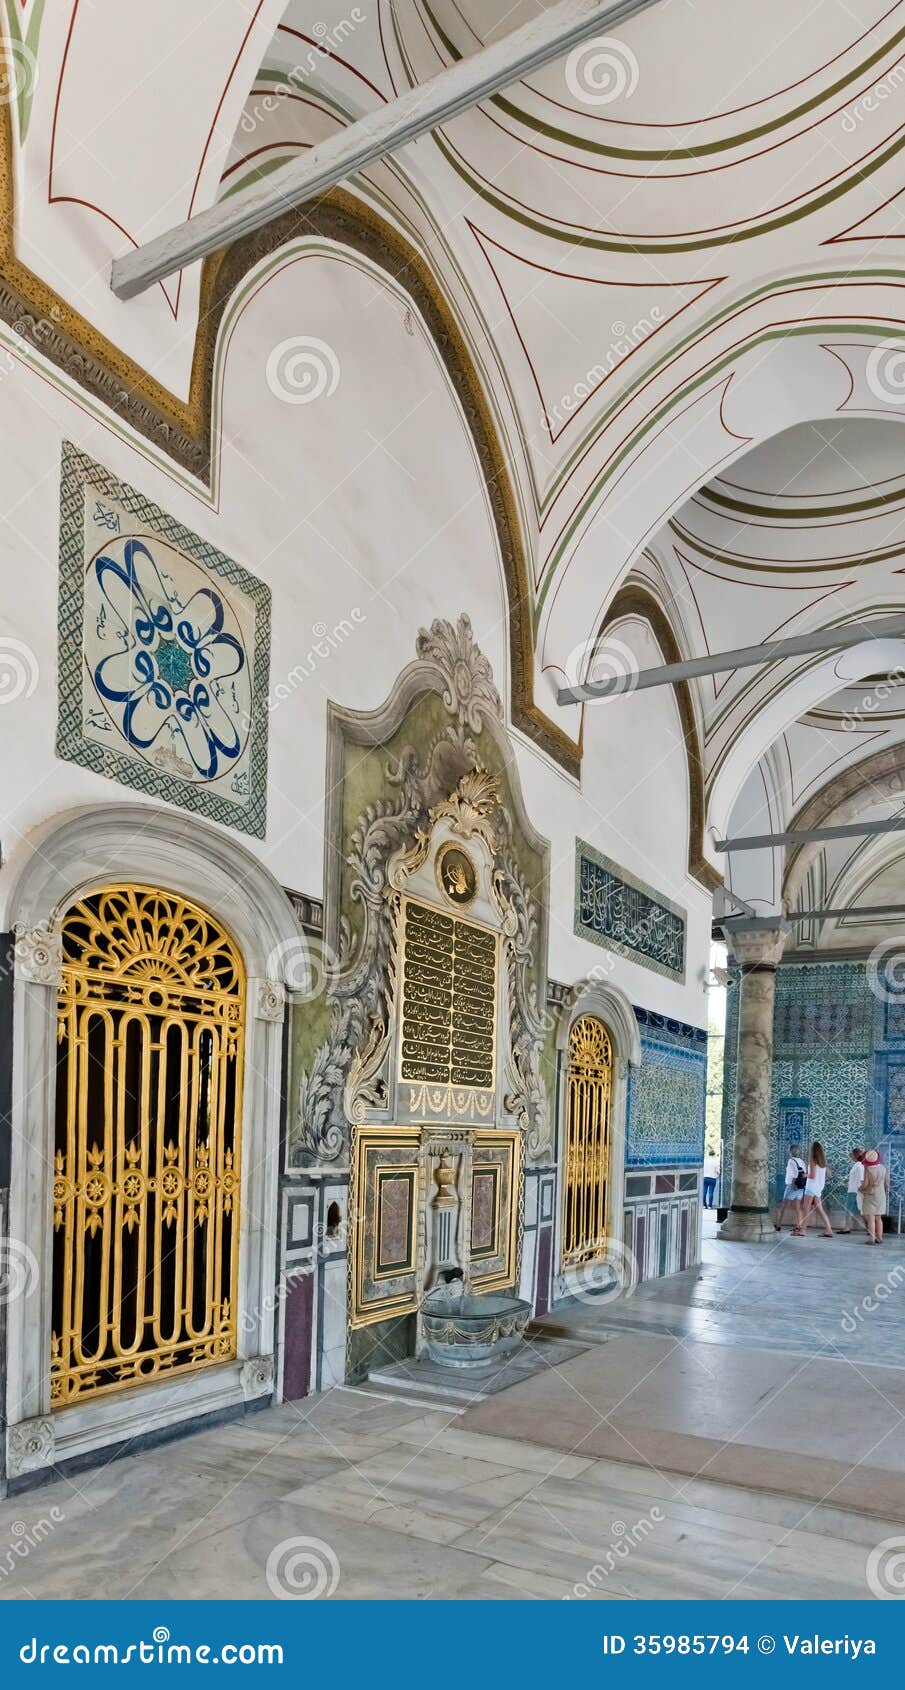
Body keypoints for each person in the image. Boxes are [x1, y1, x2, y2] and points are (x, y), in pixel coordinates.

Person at [792, 1141, 833, 1237]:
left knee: (806, 1209)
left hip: (811, 1187)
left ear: (813, 1150)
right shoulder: (823, 1162)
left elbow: (812, 1175)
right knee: (820, 1209)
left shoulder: (813, 1160)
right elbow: (828, 1175)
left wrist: (805, 1175)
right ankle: (829, 1230)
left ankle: (803, 1230)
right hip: (819, 1187)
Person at [774, 1143, 806, 1230]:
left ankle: (778, 1225)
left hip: (792, 1186)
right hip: (800, 1187)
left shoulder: (791, 1161)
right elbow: (804, 1174)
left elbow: (795, 1174)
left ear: (790, 1151)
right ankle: (799, 1226)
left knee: (783, 1207)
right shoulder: (801, 1161)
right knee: (798, 1207)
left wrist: (793, 1184)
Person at [860, 1149, 888, 1245]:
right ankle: (879, 1237)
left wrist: (860, 1188)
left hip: (870, 1195)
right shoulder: (883, 1168)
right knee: (878, 1218)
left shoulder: (867, 1169)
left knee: (871, 1218)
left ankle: (871, 1239)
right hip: (881, 1195)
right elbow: (886, 1183)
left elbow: (865, 1184)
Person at [838, 1148, 865, 1234]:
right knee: (860, 1210)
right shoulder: (858, 1165)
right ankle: (871, 1228)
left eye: (852, 1154)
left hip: (854, 1191)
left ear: (855, 1155)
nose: (851, 1156)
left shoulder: (859, 1165)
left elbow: (861, 1179)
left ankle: (847, 1228)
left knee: (849, 1210)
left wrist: (859, 1189)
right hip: (854, 1190)